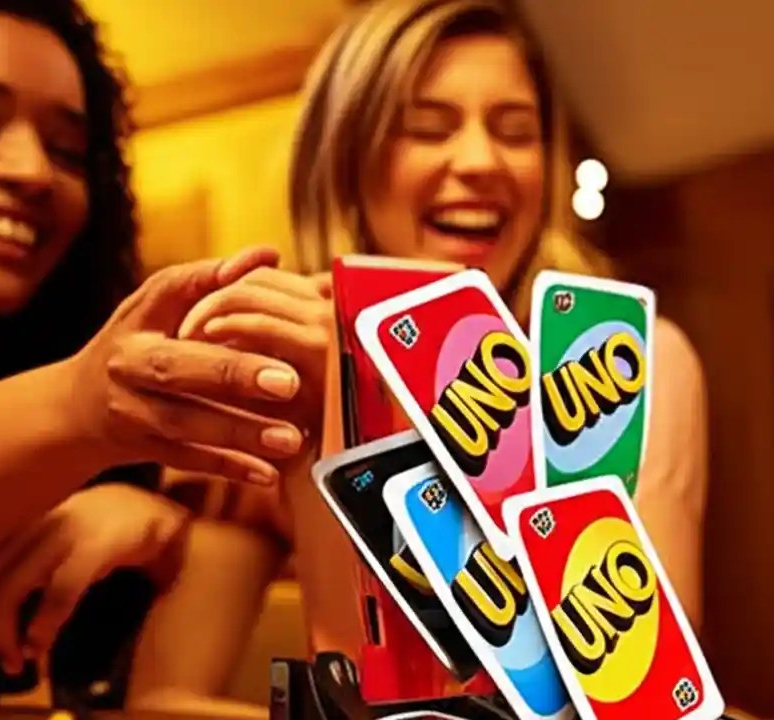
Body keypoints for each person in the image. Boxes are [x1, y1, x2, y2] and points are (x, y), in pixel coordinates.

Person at [124, 0, 711, 712]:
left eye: (516, 133)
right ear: (347, 160)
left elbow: (635, 702)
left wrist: (361, 418)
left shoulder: (619, 360)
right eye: (425, 128)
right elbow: (167, 699)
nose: (479, 161)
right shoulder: (271, 370)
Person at [0, 0, 323, 709]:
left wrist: (158, 526)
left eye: (70, 151)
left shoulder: (86, 412)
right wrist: (77, 409)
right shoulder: (83, 405)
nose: (33, 171)